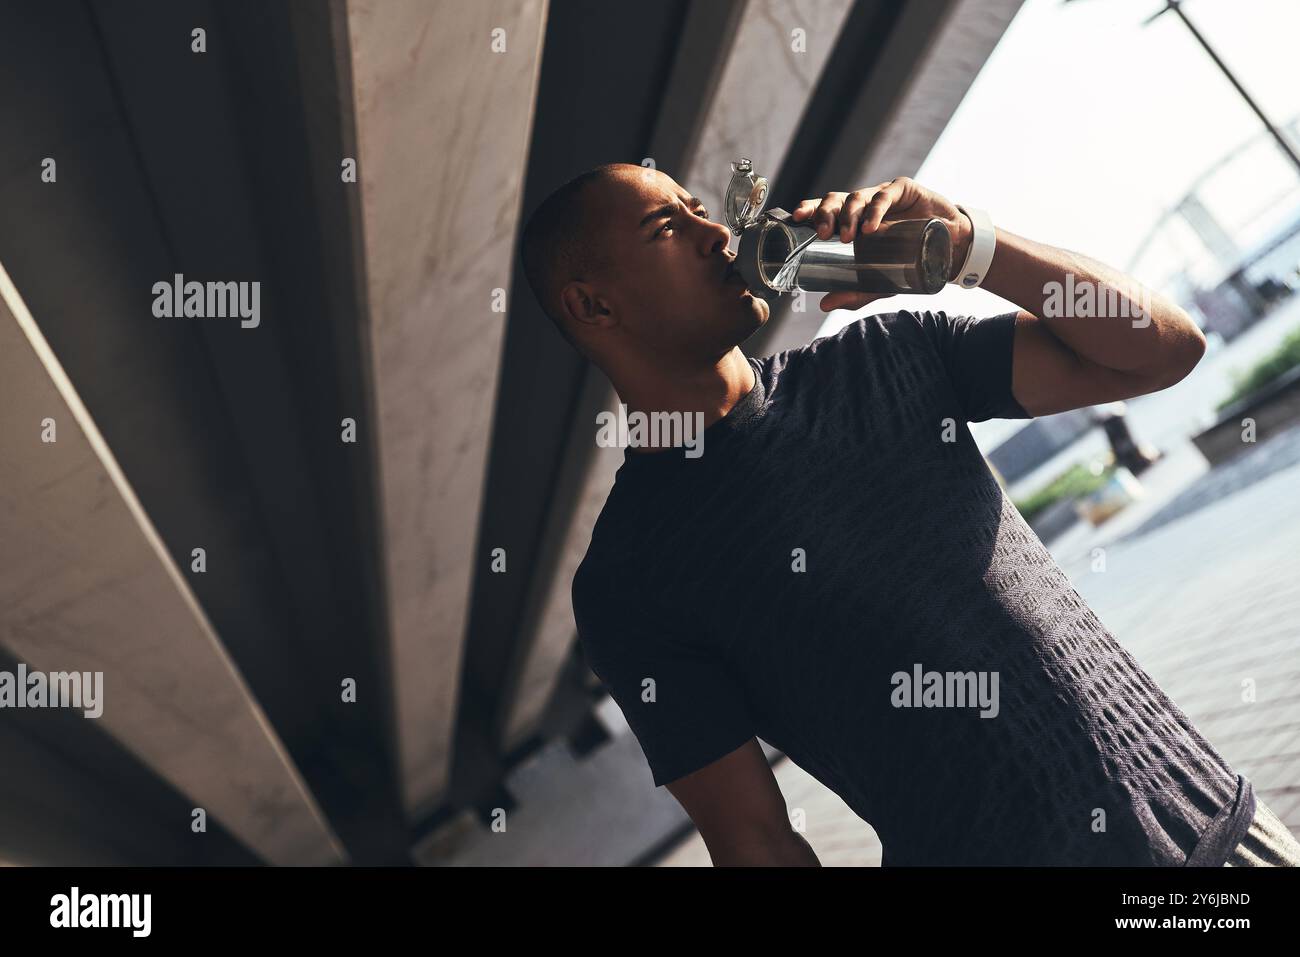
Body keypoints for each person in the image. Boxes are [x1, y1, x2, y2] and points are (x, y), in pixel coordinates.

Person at [519, 162, 1300, 866]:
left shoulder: (889, 354)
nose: (716, 230)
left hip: (1220, 834)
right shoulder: (629, 582)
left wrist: (971, 247)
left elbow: (1161, 349)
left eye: (700, 208)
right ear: (592, 304)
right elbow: (754, 841)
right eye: (669, 226)